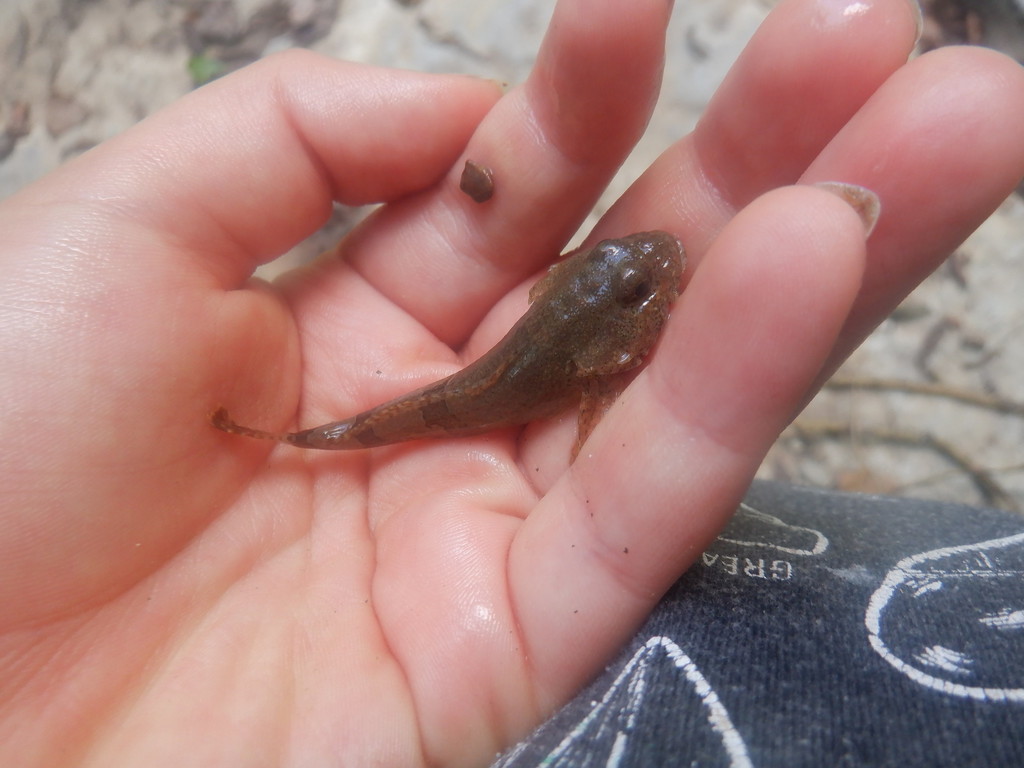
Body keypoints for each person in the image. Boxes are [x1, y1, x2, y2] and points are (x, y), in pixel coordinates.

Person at [0, 0, 1022, 765]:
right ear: (568, 294)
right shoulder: (574, 354)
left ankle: (267, 435)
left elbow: (597, 352)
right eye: (623, 288)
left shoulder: (564, 338)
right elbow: (599, 365)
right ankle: (265, 436)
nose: (650, 275)